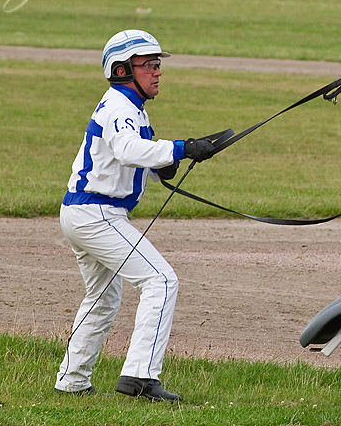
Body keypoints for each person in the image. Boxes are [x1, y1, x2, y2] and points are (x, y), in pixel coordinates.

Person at [55, 30, 217, 402]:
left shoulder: (131, 108)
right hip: (97, 215)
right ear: (122, 70)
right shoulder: (120, 108)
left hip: (83, 214)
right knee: (161, 281)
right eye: (150, 65)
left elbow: (137, 152)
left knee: (103, 299)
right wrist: (182, 148)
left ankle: (72, 380)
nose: (158, 72)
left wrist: (169, 160)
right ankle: (140, 377)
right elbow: (129, 149)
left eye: (158, 65)